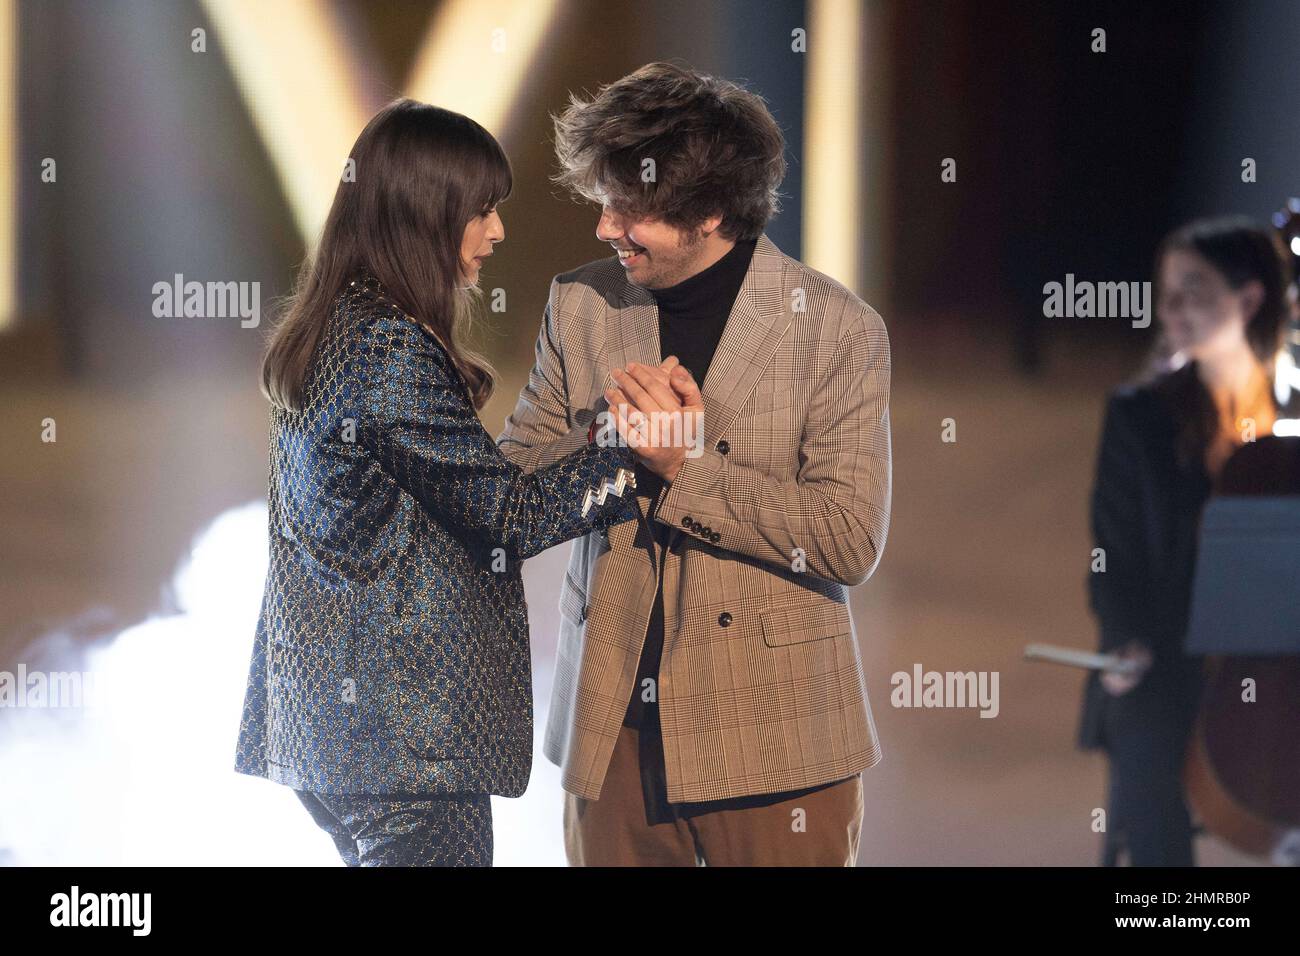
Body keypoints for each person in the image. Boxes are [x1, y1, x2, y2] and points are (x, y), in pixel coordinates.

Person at [232, 98, 656, 866]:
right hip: (400, 746)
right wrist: (635, 452)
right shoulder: (387, 347)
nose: (497, 232)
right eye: (482, 211)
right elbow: (507, 519)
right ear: (424, 215)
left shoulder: (336, 325)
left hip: (333, 735)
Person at [497, 62, 893, 865]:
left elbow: (849, 539)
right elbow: (513, 494)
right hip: (613, 743)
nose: (606, 228)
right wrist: (614, 442)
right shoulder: (581, 304)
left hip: (777, 745)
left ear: (711, 211)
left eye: (629, 208)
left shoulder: (837, 328)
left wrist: (684, 465)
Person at [1078, 215, 1300, 866]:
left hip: (1281, 660)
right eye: (1165, 289)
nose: (1169, 308)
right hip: (1165, 657)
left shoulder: (1293, 417)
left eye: (1192, 289)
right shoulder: (1138, 416)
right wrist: (1123, 639)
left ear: (1251, 298)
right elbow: (1110, 556)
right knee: (1148, 758)